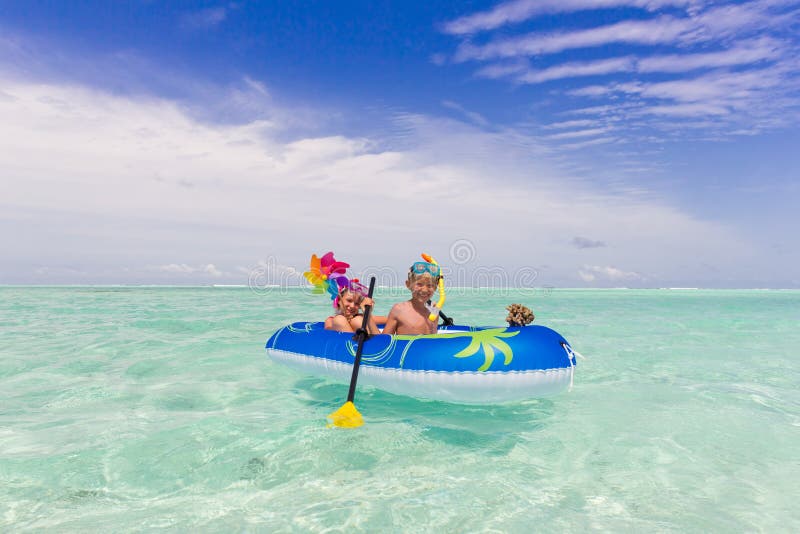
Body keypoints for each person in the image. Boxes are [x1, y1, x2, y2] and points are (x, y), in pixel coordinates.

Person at [381, 261, 441, 335]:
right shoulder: (399, 309)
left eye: (430, 285)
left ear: (435, 287)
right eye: (419, 284)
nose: (425, 290)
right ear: (408, 284)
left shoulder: (434, 310)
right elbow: (384, 341)